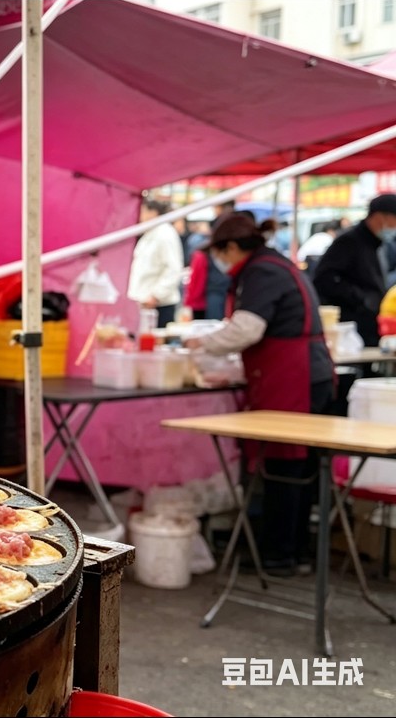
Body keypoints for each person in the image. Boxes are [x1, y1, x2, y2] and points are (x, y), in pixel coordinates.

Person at [185, 215, 334, 574]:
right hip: (305, 372)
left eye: (220, 253)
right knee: (298, 465)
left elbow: (247, 329)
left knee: (285, 464)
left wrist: (199, 344)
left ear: (231, 248)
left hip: (294, 377)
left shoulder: (262, 271)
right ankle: (294, 553)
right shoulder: (273, 263)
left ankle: (279, 555)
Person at [313, 193, 396, 347]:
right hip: (351, 327)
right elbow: (324, 278)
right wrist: (360, 298)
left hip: (371, 323)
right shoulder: (349, 242)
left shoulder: (377, 244)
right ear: (380, 217)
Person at [128, 198, 184, 327]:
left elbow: (173, 269)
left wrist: (156, 295)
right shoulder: (150, 233)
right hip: (144, 302)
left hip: (158, 305)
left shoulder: (165, 234)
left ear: (153, 213)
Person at [182, 248, 230, 321]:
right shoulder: (204, 255)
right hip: (212, 298)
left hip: (207, 300)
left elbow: (196, 283)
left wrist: (189, 303)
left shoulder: (201, 255)